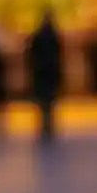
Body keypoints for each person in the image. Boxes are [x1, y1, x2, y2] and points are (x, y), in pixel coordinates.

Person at [25, 10, 64, 144]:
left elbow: (30, 54)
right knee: (49, 102)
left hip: (41, 73)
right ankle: (48, 126)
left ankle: (45, 126)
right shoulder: (54, 36)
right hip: (48, 73)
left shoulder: (39, 36)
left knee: (44, 102)